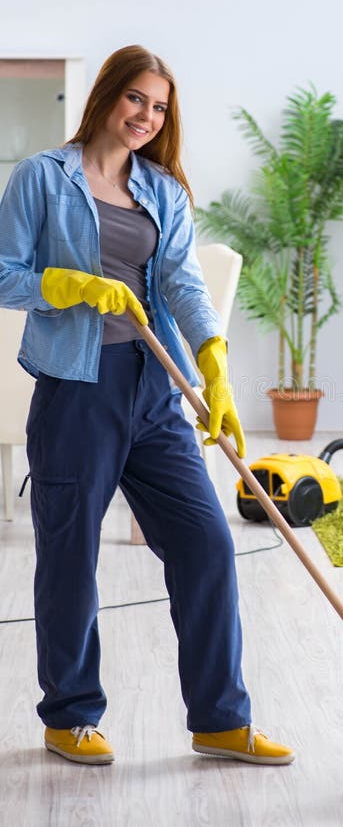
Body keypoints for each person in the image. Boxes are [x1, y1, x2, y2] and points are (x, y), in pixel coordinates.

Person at [0, 45, 294, 766]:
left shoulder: (162, 188)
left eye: (159, 107)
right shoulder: (43, 177)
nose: (146, 117)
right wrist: (69, 285)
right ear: (107, 95)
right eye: (136, 99)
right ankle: (70, 714)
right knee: (71, 555)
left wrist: (215, 366)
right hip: (77, 389)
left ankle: (220, 718)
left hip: (155, 388)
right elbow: (4, 272)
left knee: (206, 542)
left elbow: (184, 284)